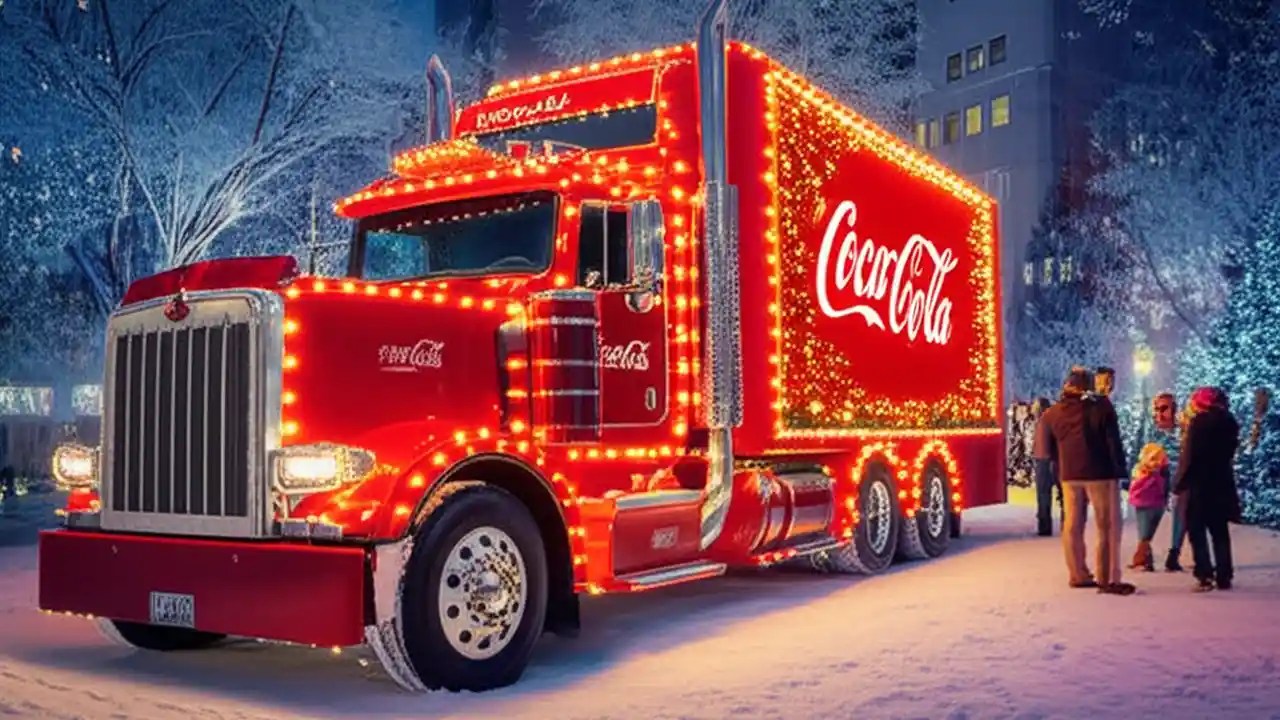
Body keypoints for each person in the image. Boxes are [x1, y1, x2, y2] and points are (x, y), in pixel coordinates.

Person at [1039, 366, 1133, 594]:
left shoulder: (1051, 414)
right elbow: (1113, 442)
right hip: (1101, 474)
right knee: (1107, 526)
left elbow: (1044, 451)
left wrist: (1060, 465)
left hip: (1069, 475)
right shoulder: (1101, 408)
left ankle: (1077, 573)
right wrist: (1120, 470)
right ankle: (1108, 577)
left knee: (1072, 524)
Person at [1173, 386, 1241, 592]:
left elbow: (1189, 456)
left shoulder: (1198, 423)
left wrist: (1179, 482)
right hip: (1221, 482)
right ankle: (1224, 574)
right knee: (1219, 530)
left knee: (1197, 529)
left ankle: (1204, 573)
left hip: (1199, 483)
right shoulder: (1230, 422)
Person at [1146, 393, 1187, 571]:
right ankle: (1144, 551)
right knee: (1148, 513)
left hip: (1179, 478)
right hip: (1156, 478)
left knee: (1181, 510)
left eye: (1164, 409)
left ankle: (1174, 553)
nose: (1160, 413)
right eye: (1157, 409)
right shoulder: (1151, 432)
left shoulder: (1183, 431)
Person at [1127, 442, 1170, 571]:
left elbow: (1133, 485)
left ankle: (1141, 560)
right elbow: (1166, 487)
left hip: (1142, 503)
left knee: (1144, 533)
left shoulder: (1140, 470)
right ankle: (1145, 560)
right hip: (1157, 503)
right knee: (1147, 533)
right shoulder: (1162, 472)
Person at [1030, 396, 1061, 536]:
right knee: (1051, 494)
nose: (1032, 409)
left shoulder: (1045, 421)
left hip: (1045, 460)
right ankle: (1050, 524)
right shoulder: (1050, 419)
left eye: (1035, 406)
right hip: (1049, 459)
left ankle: (1044, 526)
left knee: (1043, 494)